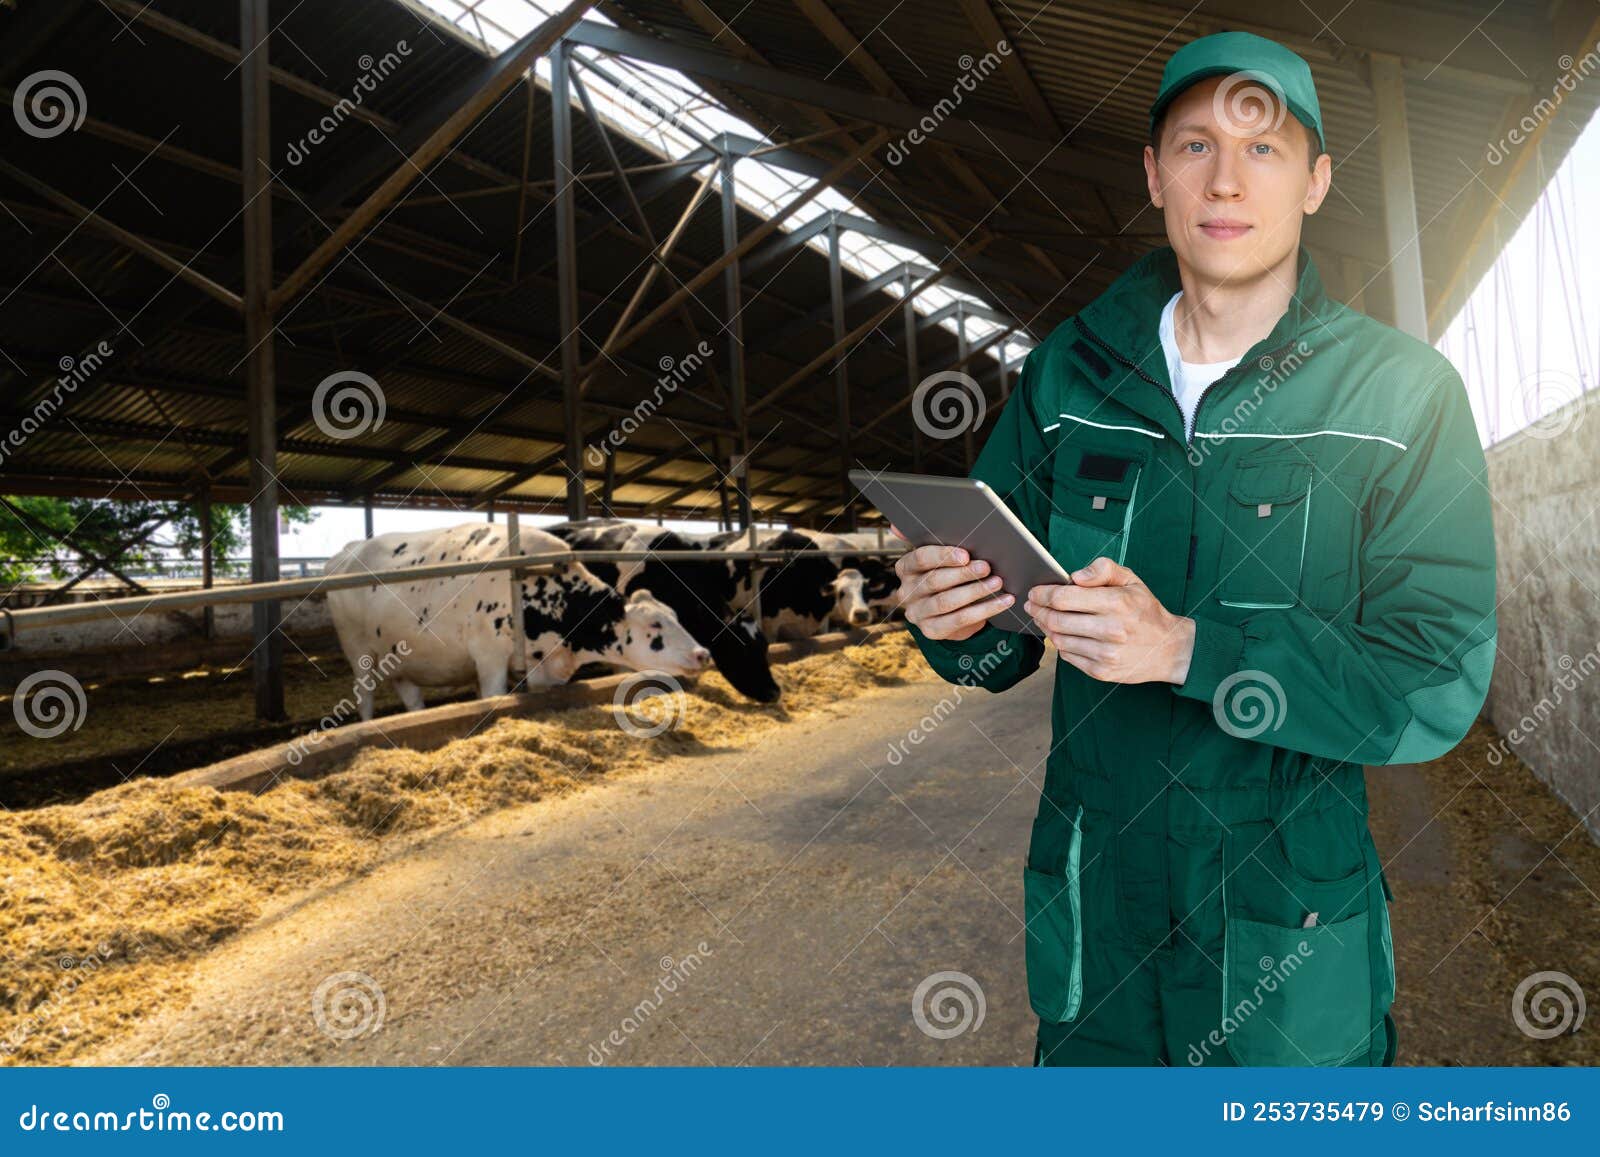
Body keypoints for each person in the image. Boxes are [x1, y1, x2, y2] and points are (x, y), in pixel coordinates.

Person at [895, 30, 1496, 1066]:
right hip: (1100, 900)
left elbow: (1434, 678)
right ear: (1152, 176)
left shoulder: (1401, 395)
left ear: (1314, 183)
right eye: (1194, 146)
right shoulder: (1066, 378)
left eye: (1262, 151)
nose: (1225, 180)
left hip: (1286, 907)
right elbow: (997, 646)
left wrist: (1189, 651)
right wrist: (951, 622)